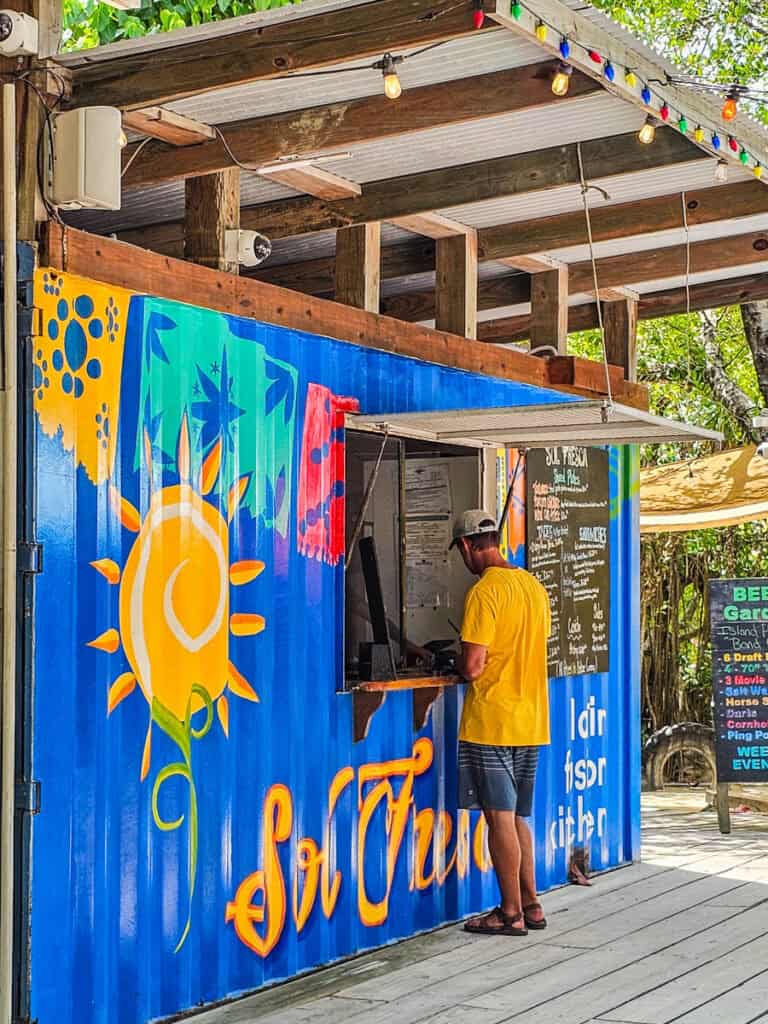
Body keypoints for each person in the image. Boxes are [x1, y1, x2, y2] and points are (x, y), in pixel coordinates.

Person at [450, 509, 551, 937]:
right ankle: (531, 904)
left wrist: (452, 659)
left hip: (492, 720)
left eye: (461, 552)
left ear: (468, 546)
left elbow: (473, 666)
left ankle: (509, 913)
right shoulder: (532, 586)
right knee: (517, 819)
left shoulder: (485, 592)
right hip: (531, 719)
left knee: (498, 820)